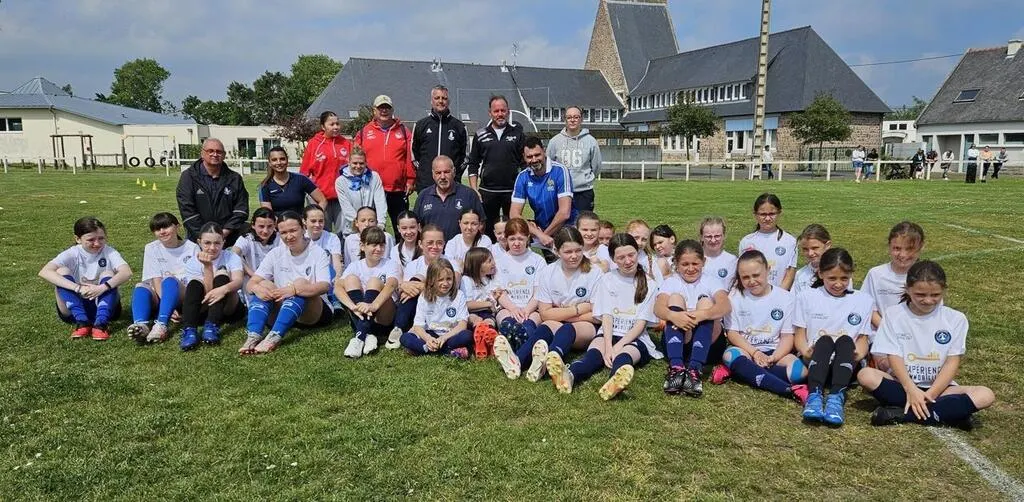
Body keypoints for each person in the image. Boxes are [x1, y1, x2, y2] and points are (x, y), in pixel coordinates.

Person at [857, 261, 995, 427]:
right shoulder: (894, 315)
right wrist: (911, 389)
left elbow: (952, 362)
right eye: (920, 295)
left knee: (986, 395)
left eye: (935, 295)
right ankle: (949, 414)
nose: (928, 300)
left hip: (940, 389)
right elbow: (894, 356)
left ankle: (902, 415)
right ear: (908, 289)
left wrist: (930, 394)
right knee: (865, 375)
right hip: (902, 384)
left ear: (944, 290)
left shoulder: (956, 319)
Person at [545, 233, 661, 400]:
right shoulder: (607, 280)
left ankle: (614, 382)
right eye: (620, 257)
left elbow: (641, 324)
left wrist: (617, 346)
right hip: (608, 332)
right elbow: (606, 315)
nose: (627, 261)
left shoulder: (650, 284)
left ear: (637, 253)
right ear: (613, 259)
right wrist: (607, 345)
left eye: (631, 255)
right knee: (592, 356)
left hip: (635, 338)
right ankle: (569, 376)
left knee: (623, 356)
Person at [495, 227, 603, 382]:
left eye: (578, 251)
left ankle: (550, 361)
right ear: (557, 251)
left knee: (566, 328)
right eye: (568, 252)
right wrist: (577, 309)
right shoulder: (549, 272)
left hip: (586, 327)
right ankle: (517, 361)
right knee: (546, 327)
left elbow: (597, 315)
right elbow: (545, 313)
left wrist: (561, 314)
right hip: (565, 319)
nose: (574, 256)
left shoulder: (594, 272)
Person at [713, 250, 809, 404]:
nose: (751, 281)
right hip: (746, 349)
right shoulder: (734, 297)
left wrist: (774, 357)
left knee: (800, 373)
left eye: (756, 275)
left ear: (768, 270)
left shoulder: (787, 298)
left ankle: (739, 371)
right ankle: (787, 389)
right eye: (745, 277)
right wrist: (755, 353)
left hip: (776, 352)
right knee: (730, 355)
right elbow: (733, 333)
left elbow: (787, 336)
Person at [794, 248, 873, 426]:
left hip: (845, 367)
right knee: (825, 341)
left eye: (844, 278)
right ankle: (814, 396)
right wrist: (806, 352)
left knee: (845, 341)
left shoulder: (863, 300)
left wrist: (857, 355)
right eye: (832, 278)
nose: (838, 284)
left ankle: (836, 397)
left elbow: (862, 339)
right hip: (814, 363)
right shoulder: (806, 297)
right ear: (821, 274)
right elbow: (799, 335)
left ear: (851, 274)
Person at [239, 212, 333, 354]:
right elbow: (251, 283)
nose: (289, 236)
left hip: (313, 313)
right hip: (284, 307)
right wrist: (257, 289)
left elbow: (324, 286)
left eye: (293, 230)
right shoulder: (276, 253)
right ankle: (253, 335)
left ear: (303, 228)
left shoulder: (318, 252)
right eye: (283, 232)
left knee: (300, 283)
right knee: (263, 284)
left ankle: (274, 336)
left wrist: (295, 289)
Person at [655, 240, 731, 397]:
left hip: (708, 344)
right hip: (678, 340)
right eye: (685, 264)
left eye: (695, 263)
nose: (690, 269)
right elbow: (658, 308)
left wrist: (700, 315)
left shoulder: (712, 281)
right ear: (676, 263)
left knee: (705, 302)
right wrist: (674, 316)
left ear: (703, 262)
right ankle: (676, 367)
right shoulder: (671, 282)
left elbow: (725, 306)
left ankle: (695, 370)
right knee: (675, 298)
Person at [39, 217, 132, 341]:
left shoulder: (109, 252)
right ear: (78, 239)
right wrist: (78, 288)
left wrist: (102, 288)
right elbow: (44, 271)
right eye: (91, 240)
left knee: (108, 273)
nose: (97, 243)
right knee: (61, 271)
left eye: (101, 238)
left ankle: (101, 324)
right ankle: (82, 321)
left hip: (106, 307)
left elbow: (127, 272)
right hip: (74, 308)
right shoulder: (72, 253)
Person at [127, 213, 200, 344]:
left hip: (184, 293)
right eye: (157, 229)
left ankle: (161, 324)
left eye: (166, 227)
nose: (162, 232)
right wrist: (167, 305)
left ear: (177, 226)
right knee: (141, 286)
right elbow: (155, 279)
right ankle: (140, 325)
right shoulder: (151, 248)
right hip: (162, 293)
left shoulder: (192, 247)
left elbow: (195, 279)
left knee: (169, 279)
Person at [862, 221, 925, 371]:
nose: (903, 255)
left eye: (909, 249)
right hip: (882, 332)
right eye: (897, 248)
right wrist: (888, 328)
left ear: (921, 247)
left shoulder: (926, 276)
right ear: (889, 246)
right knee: (889, 365)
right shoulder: (876, 274)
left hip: (916, 333)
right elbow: (868, 308)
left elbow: (933, 310)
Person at [491, 218, 548, 378]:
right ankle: (528, 352)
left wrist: (527, 310)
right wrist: (513, 309)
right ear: (506, 239)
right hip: (509, 306)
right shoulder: (500, 261)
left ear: (528, 238)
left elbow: (540, 290)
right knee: (505, 320)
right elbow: (499, 292)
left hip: (532, 307)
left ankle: (514, 354)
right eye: (512, 239)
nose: (516, 243)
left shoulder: (537, 260)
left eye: (521, 239)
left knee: (532, 321)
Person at [178, 222, 245, 350]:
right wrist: (208, 267)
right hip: (205, 305)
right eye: (207, 243)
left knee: (222, 276)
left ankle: (212, 326)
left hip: (230, 306)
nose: (212, 248)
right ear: (199, 242)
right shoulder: (193, 261)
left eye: (217, 243)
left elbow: (238, 281)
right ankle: (189, 329)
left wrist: (223, 289)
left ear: (223, 242)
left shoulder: (231, 257)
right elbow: (205, 292)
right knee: (194, 284)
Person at [466, 95, 526, 238]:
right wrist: (474, 189)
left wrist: (524, 189)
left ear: (508, 112)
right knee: (487, 231)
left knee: (512, 230)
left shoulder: (518, 134)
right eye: (496, 111)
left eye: (503, 110)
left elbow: (524, 165)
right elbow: (473, 163)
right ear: (490, 113)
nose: (500, 114)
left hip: (512, 192)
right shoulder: (481, 134)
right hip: (487, 192)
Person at [355, 95, 415, 234]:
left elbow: (409, 157)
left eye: (387, 107)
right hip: (371, 187)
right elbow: (355, 157)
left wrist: (411, 179)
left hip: (397, 189)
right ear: (374, 111)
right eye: (380, 108)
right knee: (370, 227)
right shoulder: (364, 132)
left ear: (392, 109)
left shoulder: (403, 131)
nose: (384, 111)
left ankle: (401, 254)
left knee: (400, 226)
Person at [338, 226, 400, 358]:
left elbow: (391, 285)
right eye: (373, 245)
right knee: (350, 279)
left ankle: (359, 338)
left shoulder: (391, 264)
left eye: (382, 245)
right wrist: (352, 307)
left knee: (374, 282)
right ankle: (368, 335)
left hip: (383, 318)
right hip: (359, 316)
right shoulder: (355, 265)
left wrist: (373, 305)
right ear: (362, 246)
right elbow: (337, 287)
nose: (378, 249)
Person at [176, 138, 249, 246]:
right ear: (202, 153)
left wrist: (225, 232)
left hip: (229, 238)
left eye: (219, 152)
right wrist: (205, 237)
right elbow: (187, 211)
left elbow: (241, 209)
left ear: (224, 155)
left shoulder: (234, 178)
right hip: (198, 239)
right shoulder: (188, 177)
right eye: (210, 151)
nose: (215, 154)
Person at [398, 258, 473, 359]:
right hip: (430, 333)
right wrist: (428, 339)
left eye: (449, 279)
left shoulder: (459, 295)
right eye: (440, 280)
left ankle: (424, 350)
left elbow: (462, 325)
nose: (445, 283)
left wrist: (444, 338)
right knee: (405, 338)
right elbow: (418, 326)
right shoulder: (424, 296)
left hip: (449, 335)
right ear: (432, 280)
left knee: (467, 335)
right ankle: (443, 350)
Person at [510, 136, 577, 249]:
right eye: (529, 157)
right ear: (524, 157)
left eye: (537, 155)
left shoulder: (560, 171)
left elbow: (564, 213)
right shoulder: (522, 177)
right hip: (543, 229)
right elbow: (514, 214)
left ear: (544, 151)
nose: (534, 160)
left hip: (566, 227)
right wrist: (539, 234)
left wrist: (543, 236)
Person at [388, 224, 446, 350]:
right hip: (419, 310)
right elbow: (406, 291)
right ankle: (399, 328)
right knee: (414, 282)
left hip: (442, 309)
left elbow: (451, 290)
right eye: (429, 243)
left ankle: (400, 326)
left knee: (418, 279)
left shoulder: (450, 263)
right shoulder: (414, 264)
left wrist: (421, 286)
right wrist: (406, 285)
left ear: (444, 244)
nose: (434, 247)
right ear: (420, 244)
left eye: (439, 243)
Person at [414, 155, 487, 241]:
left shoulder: (469, 195)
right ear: (433, 174)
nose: (442, 177)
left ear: (454, 172)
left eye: (446, 172)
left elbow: (481, 223)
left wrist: (470, 247)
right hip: (433, 250)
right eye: (438, 173)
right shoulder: (423, 196)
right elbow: (416, 225)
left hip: (461, 252)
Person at [300, 111, 352, 233]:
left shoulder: (346, 144)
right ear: (323, 127)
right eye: (331, 124)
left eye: (337, 124)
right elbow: (304, 173)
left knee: (344, 232)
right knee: (322, 231)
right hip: (320, 198)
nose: (335, 127)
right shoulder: (314, 144)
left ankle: (342, 252)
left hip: (342, 197)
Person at [412, 85, 468, 191]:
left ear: (449, 101)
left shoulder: (459, 126)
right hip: (426, 185)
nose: (441, 101)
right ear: (431, 101)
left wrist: (455, 175)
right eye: (437, 98)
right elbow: (414, 155)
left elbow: (465, 157)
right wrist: (424, 173)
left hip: (451, 184)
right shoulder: (421, 125)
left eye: (444, 98)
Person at [546, 106, 602, 211]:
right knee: (560, 225)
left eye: (576, 117)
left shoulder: (591, 141)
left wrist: (584, 180)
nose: (572, 120)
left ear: (581, 119)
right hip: (560, 192)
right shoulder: (555, 142)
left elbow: (596, 166)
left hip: (583, 192)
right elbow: (548, 165)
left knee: (583, 224)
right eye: (569, 117)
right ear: (565, 119)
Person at [739, 193, 797, 290]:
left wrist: (778, 296)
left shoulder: (790, 241)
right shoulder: (746, 241)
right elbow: (743, 272)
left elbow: (790, 273)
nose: (767, 218)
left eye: (772, 214)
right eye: (763, 214)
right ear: (755, 215)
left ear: (779, 213)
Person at [335, 145, 388, 237]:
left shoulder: (374, 177)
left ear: (366, 163)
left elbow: (380, 201)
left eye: (361, 163)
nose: (358, 166)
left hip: (372, 226)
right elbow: (346, 207)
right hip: (352, 228)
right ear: (349, 162)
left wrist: (381, 224)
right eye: (355, 163)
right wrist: (360, 224)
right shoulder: (341, 181)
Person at [259, 147, 326, 215]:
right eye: (274, 160)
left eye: (282, 159)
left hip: (299, 224)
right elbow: (268, 214)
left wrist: (315, 217)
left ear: (287, 160)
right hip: (278, 224)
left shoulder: (301, 179)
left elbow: (322, 200)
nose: (279, 162)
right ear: (270, 163)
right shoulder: (265, 185)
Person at [461, 247, 502, 358]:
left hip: (486, 312)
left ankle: (486, 342)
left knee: (489, 321)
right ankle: (481, 341)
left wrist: (495, 296)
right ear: (478, 265)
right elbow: (467, 304)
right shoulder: (466, 280)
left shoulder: (487, 280)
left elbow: (490, 298)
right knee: (475, 319)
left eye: (492, 260)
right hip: (471, 312)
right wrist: (489, 303)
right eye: (489, 261)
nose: (493, 263)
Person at [304, 205, 344, 311]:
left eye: (321, 221)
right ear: (304, 221)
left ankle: (335, 300)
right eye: (313, 221)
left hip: (328, 276)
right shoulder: (300, 238)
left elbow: (336, 261)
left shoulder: (332, 237)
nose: (317, 225)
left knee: (328, 268)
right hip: (307, 275)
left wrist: (338, 275)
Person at [232, 208, 279, 296]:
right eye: (261, 226)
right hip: (253, 284)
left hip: (276, 283)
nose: (265, 231)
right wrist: (253, 274)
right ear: (253, 225)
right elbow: (234, 253)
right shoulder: (247, 238)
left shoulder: (279, 238)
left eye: (270, 226)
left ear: (275, 225)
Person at [793, 224, 833, 295]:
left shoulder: (840, 272)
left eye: (815, 248)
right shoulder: (800, 275)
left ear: (827, 245)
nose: (810, 253)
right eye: (805, 249)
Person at [700, 216, 737, 290]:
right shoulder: (693, 260)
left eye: (717, 236)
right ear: (701, 237)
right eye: (708, 236)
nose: (713, 240)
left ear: (724, 236)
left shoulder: (733, 261)